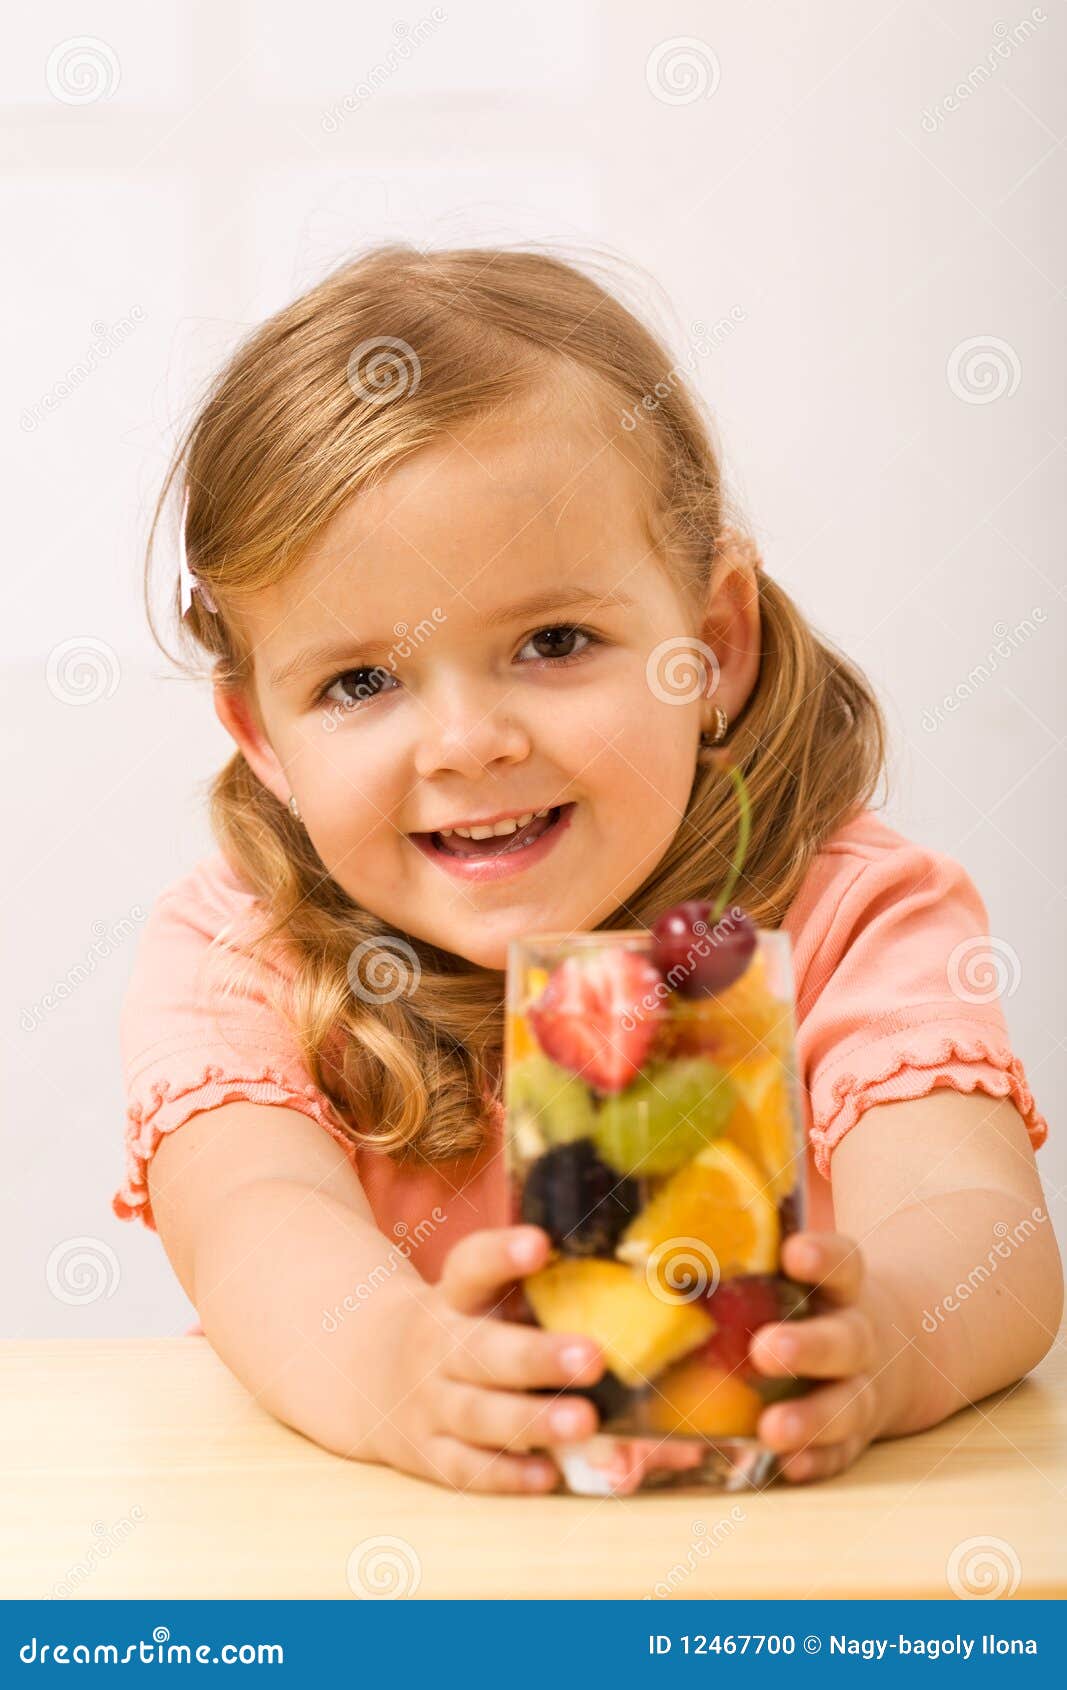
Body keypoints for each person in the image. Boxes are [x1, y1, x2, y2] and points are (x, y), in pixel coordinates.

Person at [115, 245, 1058, 1495]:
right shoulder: (242, 956)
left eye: (553, 641)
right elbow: (248, 1224)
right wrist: (397, 1366)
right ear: (262, 740)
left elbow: (978, 1226)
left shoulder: (850, 916)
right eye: (359, 681)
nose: (467, 743)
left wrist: (890, 1340)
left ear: (712, 644)